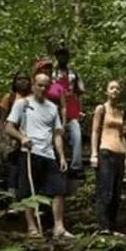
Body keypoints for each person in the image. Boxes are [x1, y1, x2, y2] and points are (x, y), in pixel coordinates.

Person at [4, 72, 73, 238]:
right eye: (39, 85)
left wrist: (61, 156)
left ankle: (59, 227)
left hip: (48, 153)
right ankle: (32, 228)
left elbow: (57, 134)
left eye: (46, 86)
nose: (42, 88)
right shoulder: (23, 104)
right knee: (28, 191)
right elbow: (9, 127)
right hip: (29, 152)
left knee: (59, 189)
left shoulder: (52, 108)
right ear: (33, 85)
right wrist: (22, 138)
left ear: (50, 88)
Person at [90, 80, 125, 232]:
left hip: (120, 154)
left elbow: (122, 134)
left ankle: (112, 225)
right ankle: (103, 226)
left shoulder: (120, 111)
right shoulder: (101, 109)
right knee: (105, 190)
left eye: (117, 88)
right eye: (112, 88)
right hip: (105, 152)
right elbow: (95, 131)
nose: (115, 90)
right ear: (107, 91)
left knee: (117, 193)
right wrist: (93, 154)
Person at [0, 72, 32, 197]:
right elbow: (3, 119)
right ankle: (11, 196)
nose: (23, 82)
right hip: (12, 136)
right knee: (13, 166)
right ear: (14, 82)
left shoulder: (33, 97)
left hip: (29, 135)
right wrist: (2, 139)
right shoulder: (9, 97)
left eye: (25, 79)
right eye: (19, 79)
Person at [53, 45, 85, 174]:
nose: (62, 57)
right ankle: (54, 163)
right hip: (54, 109)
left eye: (65, 55)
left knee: (76, 134)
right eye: (60, 55)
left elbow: (80, 93)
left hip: (72, 108)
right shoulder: (51, 73)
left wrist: (80, 110)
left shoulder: (74, 74)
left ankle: (76, 166)